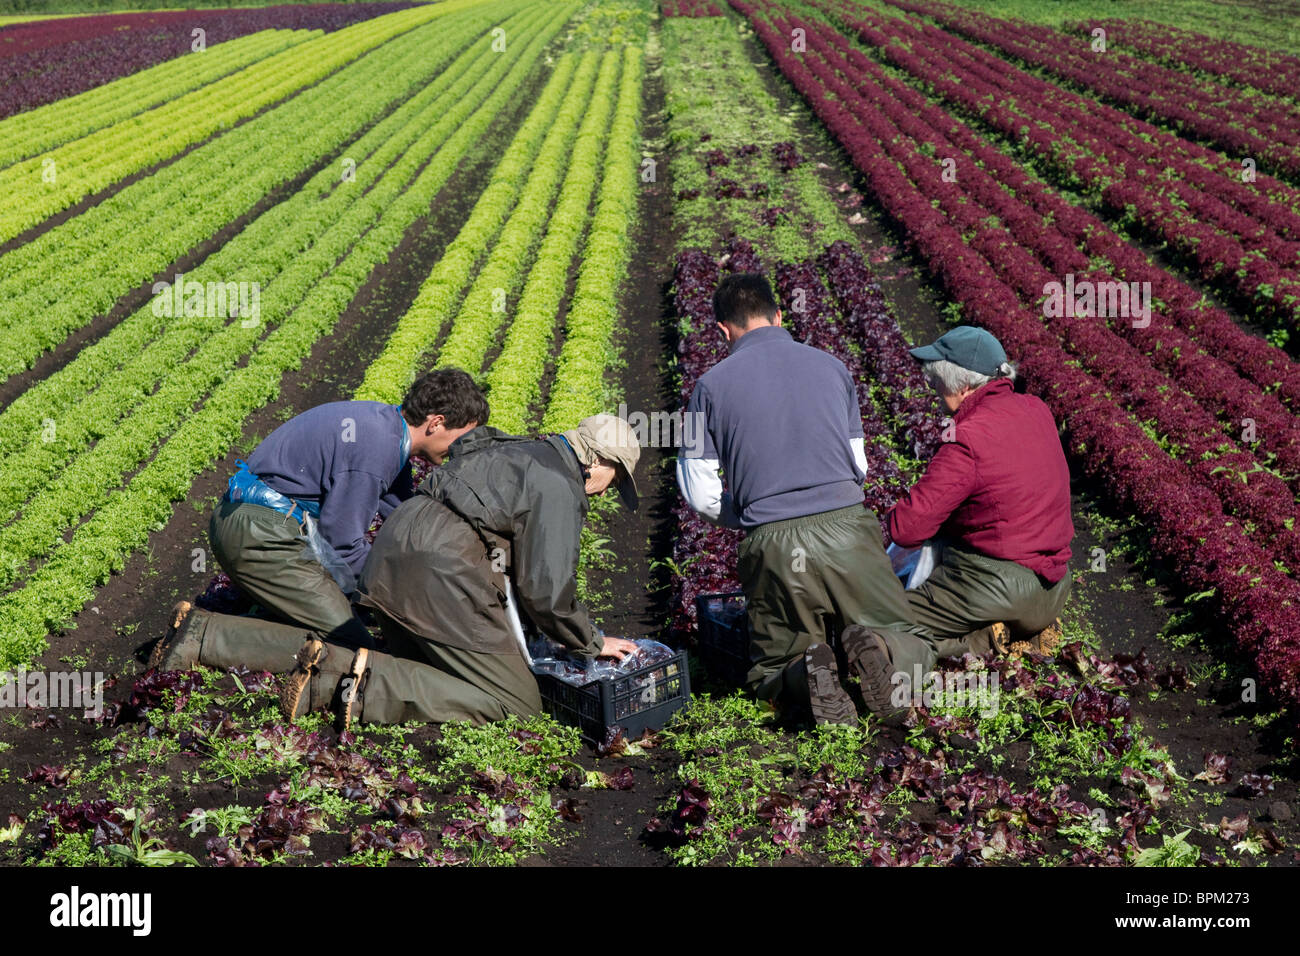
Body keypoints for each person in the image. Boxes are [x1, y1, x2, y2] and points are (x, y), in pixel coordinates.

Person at [152, 414, 643, 730]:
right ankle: (344, 686)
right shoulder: (560, 486)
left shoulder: (516, 449)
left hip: (395, 547)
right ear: (597, 463)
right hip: (440, 569)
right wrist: (591, 641)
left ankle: (206, 635)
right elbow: (546, 591)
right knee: (518, 703)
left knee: (402, 656)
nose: (603, 493)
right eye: (612, 481)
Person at [676, 272, 931, 725]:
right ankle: (882, 649)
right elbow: (860, 465)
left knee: (774, 661)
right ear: (778, 315)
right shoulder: (832, 366)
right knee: (902, 631)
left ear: (722, 330)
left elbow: (697, 491)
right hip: (847, 527)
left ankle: (805, 671)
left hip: (772, 540)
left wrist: (754, 513)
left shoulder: (708, 388)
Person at [148, 368, 488, 670]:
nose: (459, 448)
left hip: (257, 525)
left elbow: (406, 516)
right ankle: (202, 636)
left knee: (343, 612)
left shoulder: (387, 431)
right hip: (259, 534)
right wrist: (404, 595)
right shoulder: (376, 449)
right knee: (352, 644)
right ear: (436, 422)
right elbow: (343, 543)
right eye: (462, 437)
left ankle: (251, 620)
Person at [880, 326, 1074, 661]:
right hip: (1055, 587)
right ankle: (1015, 631)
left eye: (935, 380)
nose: (932, 389)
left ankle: (974, 644)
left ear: (963, 385)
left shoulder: (968, 439)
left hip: (999, 588)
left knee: (884, 616)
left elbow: (906, 530)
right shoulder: (1036, 410)